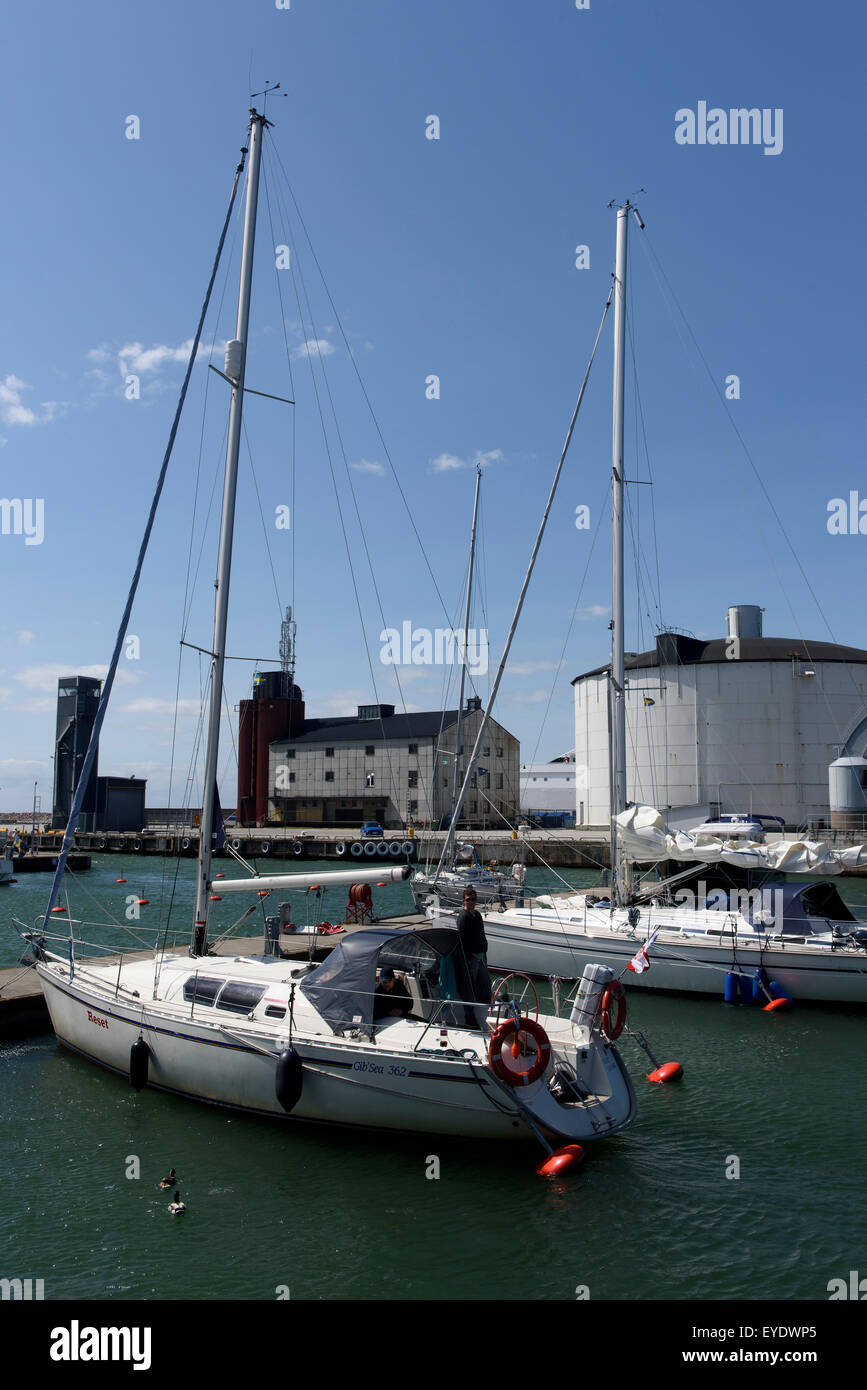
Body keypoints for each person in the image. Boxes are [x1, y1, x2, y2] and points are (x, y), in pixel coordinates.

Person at [456, 888, 491, 1029]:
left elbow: (481, 933)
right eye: (468, 899)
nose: (471, 902)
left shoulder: (477, 914)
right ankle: (469, 1017)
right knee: (469, 987)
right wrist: (468, 958)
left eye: (473, 899)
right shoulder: (463, 917)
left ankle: (485, 1010)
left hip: (482, 956)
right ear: (463, 901)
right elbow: (462, 939)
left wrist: (484, 948)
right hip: (471, 958)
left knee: (485, 984)